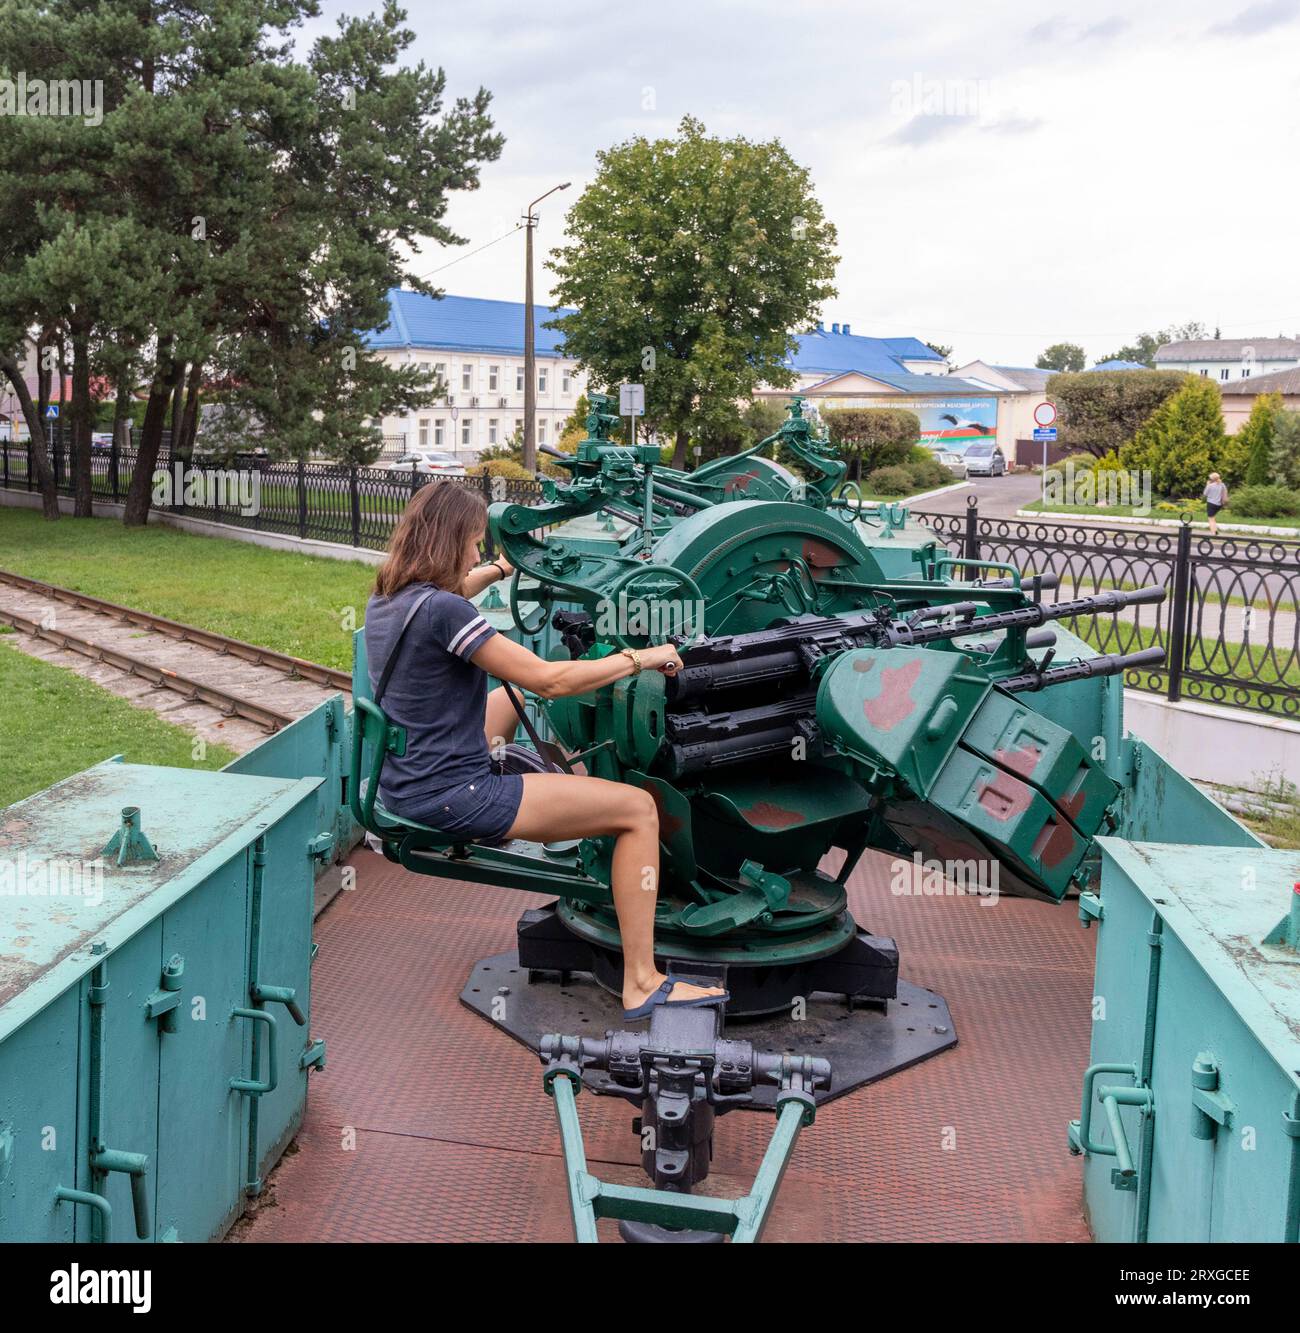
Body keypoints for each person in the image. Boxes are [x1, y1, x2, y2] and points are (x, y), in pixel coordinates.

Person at [364, 481, 727, 1020]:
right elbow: (553, 680)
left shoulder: (391, 597)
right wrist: (643, 657)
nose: (476, 553)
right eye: (474, 543)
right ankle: (643, 982)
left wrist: (511, 570)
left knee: (514, 694)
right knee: (637, 810)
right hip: (450, 794)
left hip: (404, 779)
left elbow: (464, 587)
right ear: (451, 540)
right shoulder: (447, 612)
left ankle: (524, 781)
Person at [1203, 472, 1228, 536]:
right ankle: (1215, 530)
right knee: (1213, 517)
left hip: (1211, 503)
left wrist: (1207, 485)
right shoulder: (1222, 485)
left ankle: (1213, 533)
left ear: (1212, 479)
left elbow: (1205, 494)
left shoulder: (1210, 485)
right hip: (1219, 504)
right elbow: (1225, 493)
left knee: (1210, 519)